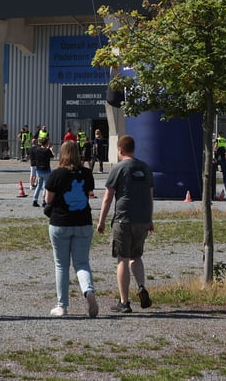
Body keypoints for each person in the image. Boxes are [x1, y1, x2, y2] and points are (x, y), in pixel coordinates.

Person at [96, 134, 154, 314]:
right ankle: (142, 286)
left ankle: (124, 302)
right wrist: (150, 219)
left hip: (123, 218)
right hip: (142, 219)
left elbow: (108, 197)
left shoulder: (118, 168)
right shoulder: (145, 168)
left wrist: (101, 221)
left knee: (122, 258)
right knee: (135, 256)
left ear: (120, 150)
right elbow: (150, 195)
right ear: (133, 149)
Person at [45, 141, 99, 317]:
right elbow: (88, 192)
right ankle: (88, 292)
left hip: (60, 222)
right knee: (82, 263)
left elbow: (48, 199)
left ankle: (62, 306)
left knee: (61, 265)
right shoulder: (86, 173)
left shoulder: (57, 174)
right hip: (83, 221)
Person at [30, 136, 54, 207]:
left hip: (39, 170)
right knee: (45, 186)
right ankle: (44, 201)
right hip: (46, 170)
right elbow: (52, 156)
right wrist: (51, 149)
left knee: (38, 185)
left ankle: (35, 199)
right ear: (46, 143)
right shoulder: (47, 151)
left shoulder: (37, 150)